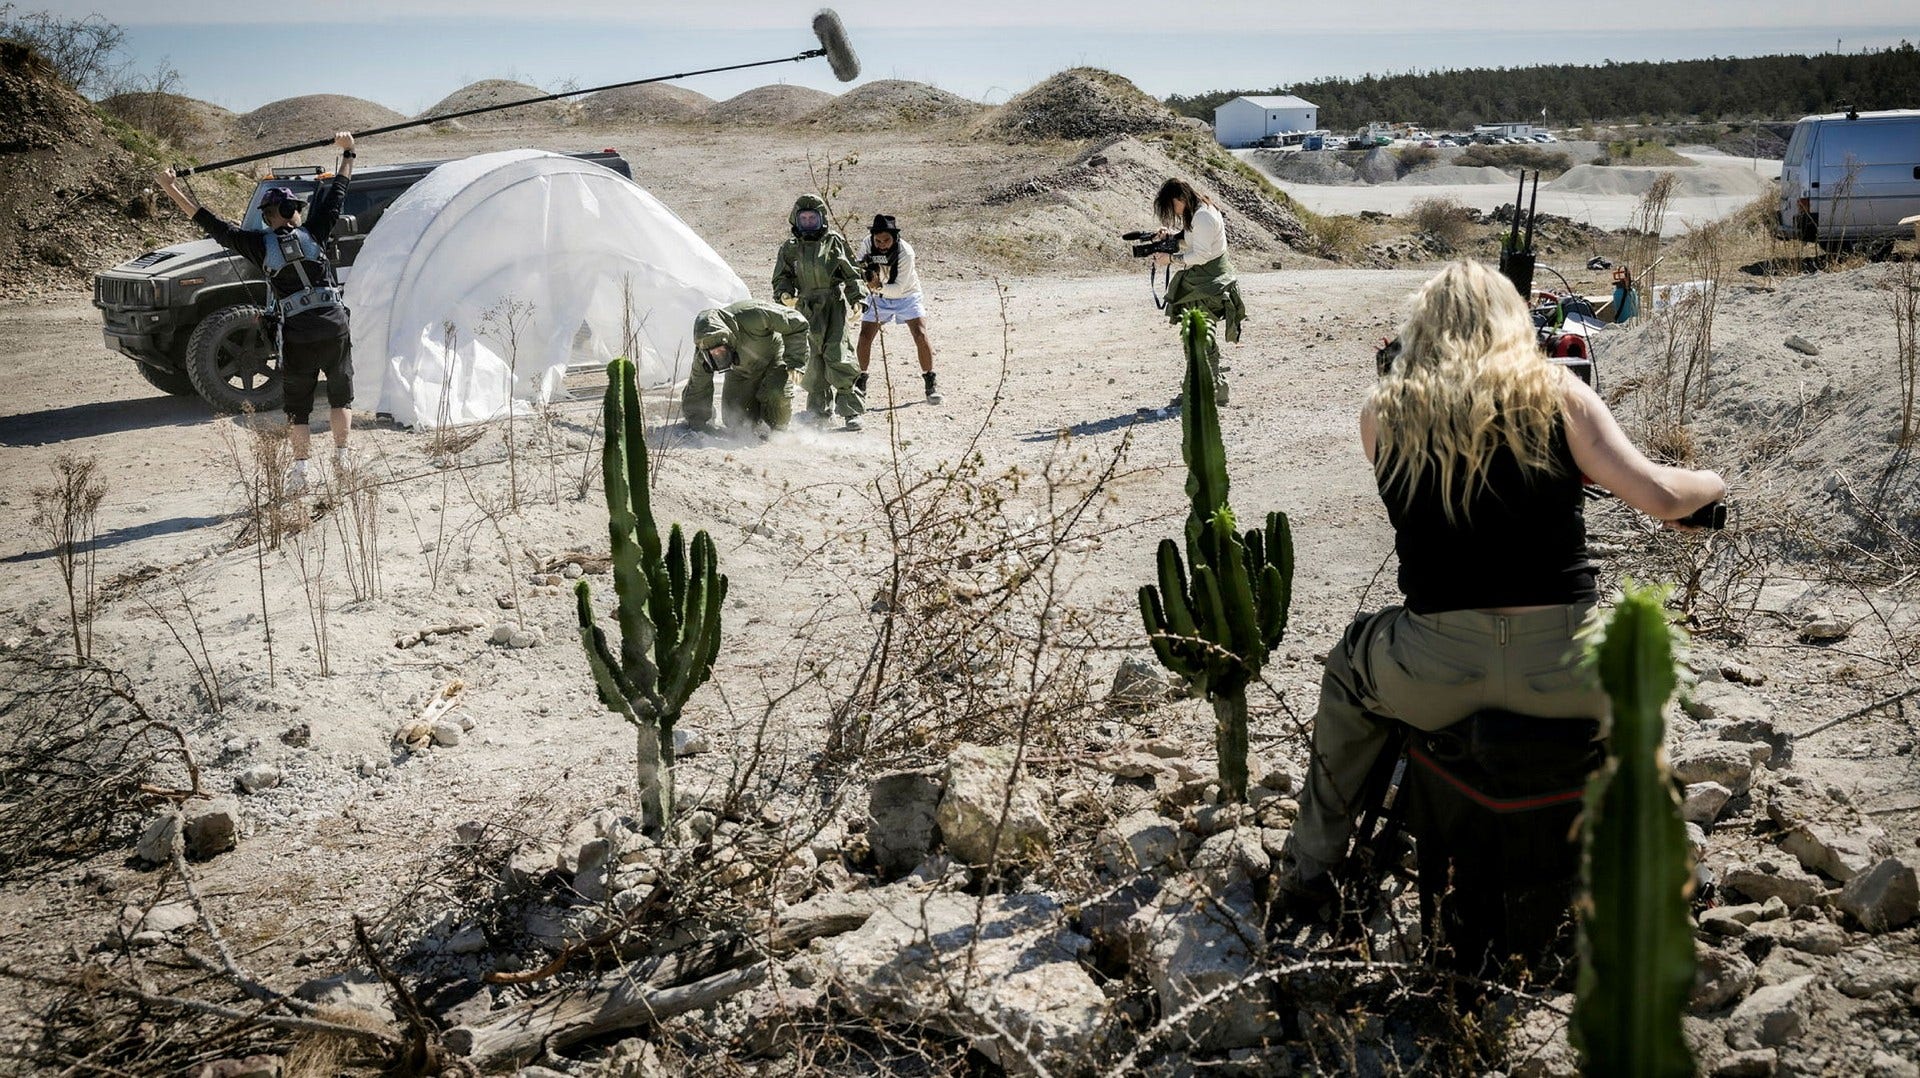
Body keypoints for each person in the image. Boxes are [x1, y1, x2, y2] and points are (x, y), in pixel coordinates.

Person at [1276, 259, 1726, 907]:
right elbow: (1658, 494)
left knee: (1351, 664)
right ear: (1515, 324)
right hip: (1568, 671)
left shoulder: (1382, 414)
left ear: (1420, 331)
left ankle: (1313, 865)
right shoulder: (1558, 395)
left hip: (1433, 673)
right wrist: (1713, 485)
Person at [158, 132, 358, 493]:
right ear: (290, 212)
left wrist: (172, 188)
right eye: (296, 206)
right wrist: (349, 152)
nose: (298, 210)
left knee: (298, 408)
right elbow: (339, 189)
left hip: (296, 335)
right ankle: (342, 460)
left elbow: (207, 221)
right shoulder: (316, 230)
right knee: (341, 396)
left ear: (268, 216)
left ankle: (301, 472)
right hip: (333, 326)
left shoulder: (255, 245)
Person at [772, 195, 867, 430]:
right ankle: (818, 412)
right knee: (812, 360)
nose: (807, 222)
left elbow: (852, 273)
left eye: (812, 218)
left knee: (838, 354)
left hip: (832, 305)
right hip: (804, 308)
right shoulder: (790, 248)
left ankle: (850, 411)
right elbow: (781, 277)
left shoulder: (833, 241)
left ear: (821, 219)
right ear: (796, 219)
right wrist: (785, 295)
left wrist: (857, 299)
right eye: (803, 218)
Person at [1150, 178, 1246, 406]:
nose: (1174, 210)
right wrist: (1172, 237)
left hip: (1209, 284)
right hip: (1204, 282)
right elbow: (1194, 242)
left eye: (1173, 205)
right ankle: (1209, 389)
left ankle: (1211, 389)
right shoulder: (1198, 212)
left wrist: (1170, 259)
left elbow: (1201, 255)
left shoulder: (1202, 216)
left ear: (1180, 198)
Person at [681, 299, 812, 435]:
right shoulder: (704, 350)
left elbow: (797, 323)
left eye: (721, 351)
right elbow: (698, 386)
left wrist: (796, 362)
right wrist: (697, 423)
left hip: (774, 360)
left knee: (777, 397)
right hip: (742, 372)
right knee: (736, 422)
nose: (718, 355)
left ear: (728, 340)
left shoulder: (754, 315)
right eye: (714, 353)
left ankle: (778, 430)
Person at [854, 214, 941, 405]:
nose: (882, 244)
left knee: (920, 334)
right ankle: (860, 380)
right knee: (864, 336)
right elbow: (858, 265)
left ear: (895, 237)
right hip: (878, 296)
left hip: (906, 295)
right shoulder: (867, 244)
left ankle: (930, 381)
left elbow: (899, 288)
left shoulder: (905, 252)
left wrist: (876, 286)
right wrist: (864, 275)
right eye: (878, 240)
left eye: (886, 240)